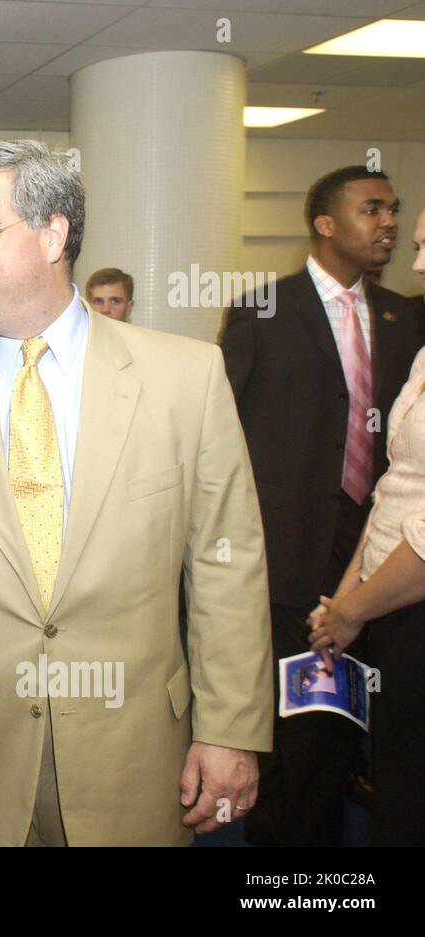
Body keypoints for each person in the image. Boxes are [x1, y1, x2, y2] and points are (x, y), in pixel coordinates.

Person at [0, 139, 272, 846]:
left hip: (133, 752)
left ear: (53, 232)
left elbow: (227, 564)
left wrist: (230, 728)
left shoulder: (186, 379)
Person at [220, 165, 422, 847]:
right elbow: (225, 440)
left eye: (394, 210)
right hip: (287, 564)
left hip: (385, 567)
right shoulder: (261, 310)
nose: (389, 223)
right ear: (325, 223)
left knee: (364, 743)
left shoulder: (406, 317)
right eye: (372, 209)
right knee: (295, 742)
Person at [306, 201, 425, 846]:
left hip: (408, 598)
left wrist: (355, 611)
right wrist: (348, 596)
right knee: (399, 787)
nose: (417, 263)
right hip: (392, 602)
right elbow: (393, 489)